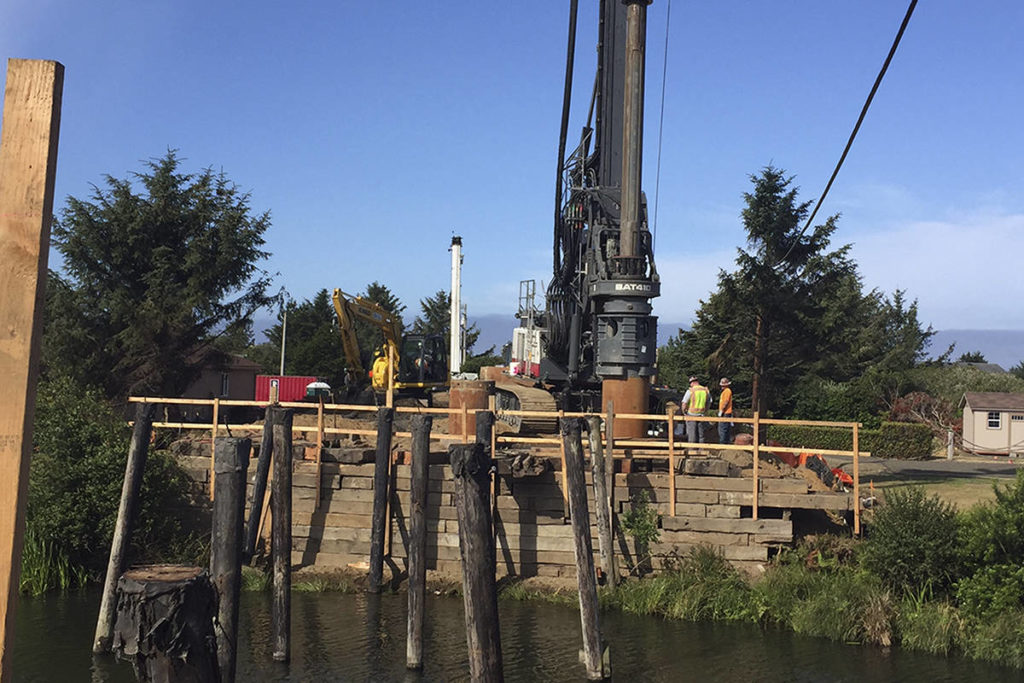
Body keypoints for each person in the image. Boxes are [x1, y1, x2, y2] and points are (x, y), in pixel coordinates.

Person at [681, 376, 709, 444]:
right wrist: (705, 411)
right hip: (701, 414)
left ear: (692, 383)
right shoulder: (705, 390)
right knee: (701, 435)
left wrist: (684, 412)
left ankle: (691, 451)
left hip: (691, 414)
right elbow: (709, 402)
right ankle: (701, 451)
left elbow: (684, 403)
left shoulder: (690, 390)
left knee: (692, 434)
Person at [717, 377, 734, 445]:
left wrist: (722, 410)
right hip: (725, 413)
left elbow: (726, 401)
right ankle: (725, 443)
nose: (721, 386)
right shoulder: (725, 391)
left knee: (723, 430)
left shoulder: (727, 391)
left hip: (725, 413)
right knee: (724, 429)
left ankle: (723, 444)